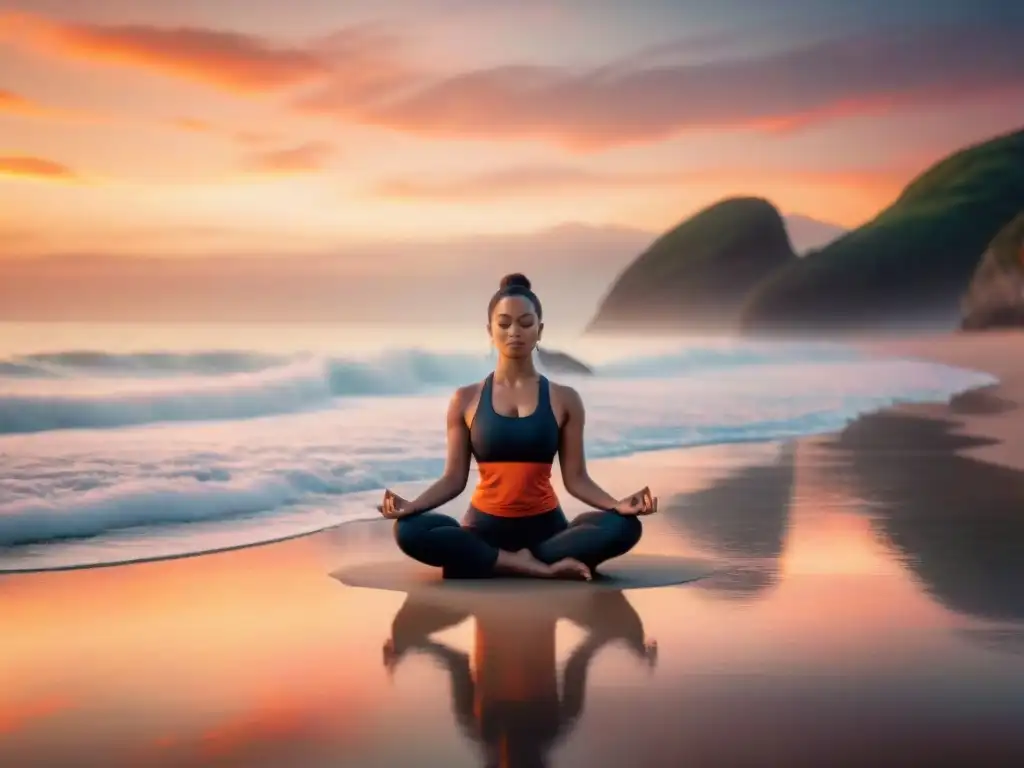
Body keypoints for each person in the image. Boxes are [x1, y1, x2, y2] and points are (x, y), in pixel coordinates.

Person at [376, 273, 658, 581]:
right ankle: (531, 566)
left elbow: (576, 479)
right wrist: (412, 506)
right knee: (409, 530)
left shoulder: (565, 399)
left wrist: (617, 504)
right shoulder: (466, 399)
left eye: (525, 323)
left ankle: (494, 561)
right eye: (504, 323)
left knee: (624, 526)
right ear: (490, 330)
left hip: (547, 532)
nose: (515, 332)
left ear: (540, 330)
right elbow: (453, 479)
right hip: (484, 528)